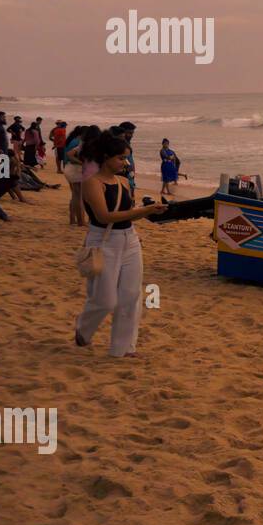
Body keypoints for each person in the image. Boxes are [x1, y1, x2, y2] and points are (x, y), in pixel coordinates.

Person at [75, 132, 167, 357]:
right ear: (105, 157)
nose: (125, 163)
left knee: (130, 296)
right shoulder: (92, 182)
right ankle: (84, 330)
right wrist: (143, 211)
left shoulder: (123, 182)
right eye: (121, 158)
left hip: (130, 239)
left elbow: (127, 215)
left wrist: (148, 212)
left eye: (126, 158)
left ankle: (124, 349)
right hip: (104, 241)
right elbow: (104, 216)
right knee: (105, 299)